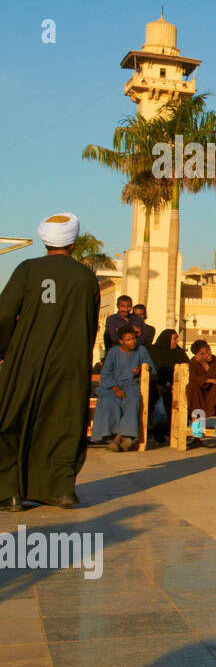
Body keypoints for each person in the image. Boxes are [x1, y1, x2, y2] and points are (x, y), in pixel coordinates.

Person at [0, 214, 101, 509]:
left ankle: (9, 492)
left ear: (45, 239)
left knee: (11, 418)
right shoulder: (85, 277)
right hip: (70, 363)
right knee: (62, 422)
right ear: (72, 241)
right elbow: (90, 325)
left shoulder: (28, 270)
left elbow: (5, 314)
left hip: (27, 359)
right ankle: (59, 489)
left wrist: (5, 348)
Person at [92, 325, 155, 451]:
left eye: (134, 339)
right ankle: (118, 437)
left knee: (132, 400)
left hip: (132, 385)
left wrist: (141, 370)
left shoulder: (141, 350)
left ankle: (118, 438)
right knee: (108, 400)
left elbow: (151, 369)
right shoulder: (113, 352)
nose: (132, 342)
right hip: (113, 385)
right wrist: (115, 388)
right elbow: (105, 374)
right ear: (121, 341)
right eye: (128, 339)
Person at [147, 328, 189, 439]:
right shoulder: (154, 351)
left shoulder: (178, 352)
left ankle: (176, 431)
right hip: (156, 386)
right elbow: (151, 371)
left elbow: (186, 367)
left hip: (177, 386)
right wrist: (160, 384)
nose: (176, 342)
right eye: (174, 339)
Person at [185, 339, 216, 432]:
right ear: (197, 355)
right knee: (192, 386)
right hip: (200, 393)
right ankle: (195, 421)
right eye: (202, 353)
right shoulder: (193, 362)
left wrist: (204, 364)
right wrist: (211, 380)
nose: (207, 354)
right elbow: (193, 378)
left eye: (208, 350)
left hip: (214, 394)